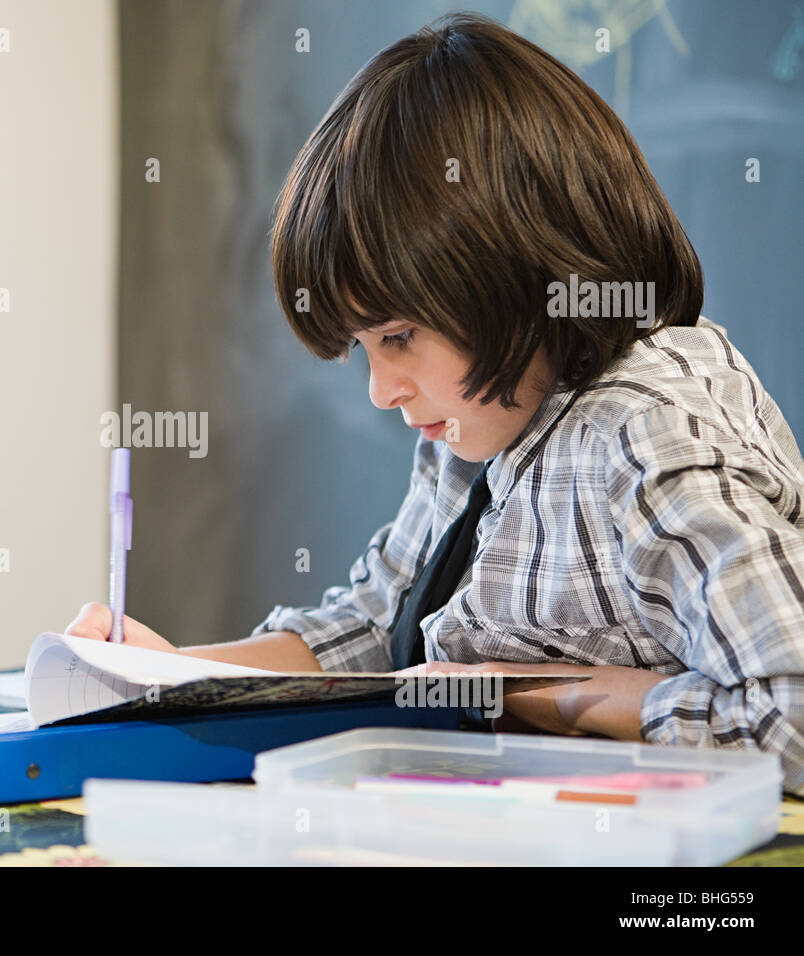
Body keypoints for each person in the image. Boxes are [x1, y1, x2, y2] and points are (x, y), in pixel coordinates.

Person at [65, 12, 804, 795]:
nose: (384, 391)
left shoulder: (645, 440)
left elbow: (791, 714)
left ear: (516, 273)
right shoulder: (485, 421)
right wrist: (165, 674)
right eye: (363, 347)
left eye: (400, 335)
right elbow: (380, 625)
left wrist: (586, 702)